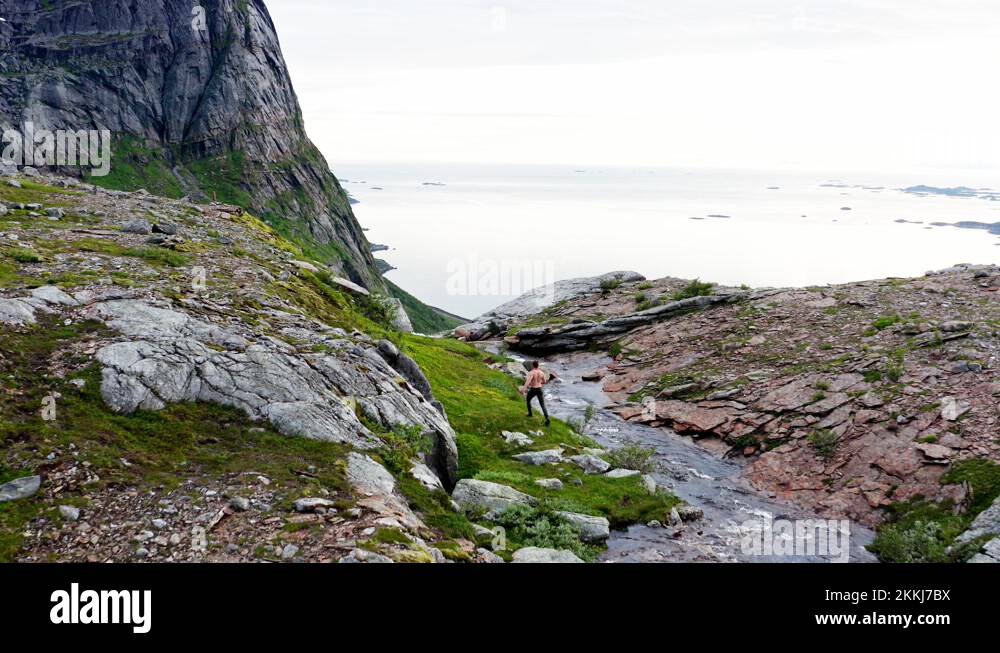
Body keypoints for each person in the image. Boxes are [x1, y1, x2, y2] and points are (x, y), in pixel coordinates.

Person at [521, 361, 552, 426]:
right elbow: (544, 381)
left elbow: (527, 382)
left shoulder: (531, 372)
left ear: (532, 365)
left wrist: (523, 389)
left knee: (528, 400)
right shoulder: (541, 372)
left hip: (533, 389)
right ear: (538, 366)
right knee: (542, 405)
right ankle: (547, 418)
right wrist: (539, 383)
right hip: (539, 389)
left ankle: (530, 414)